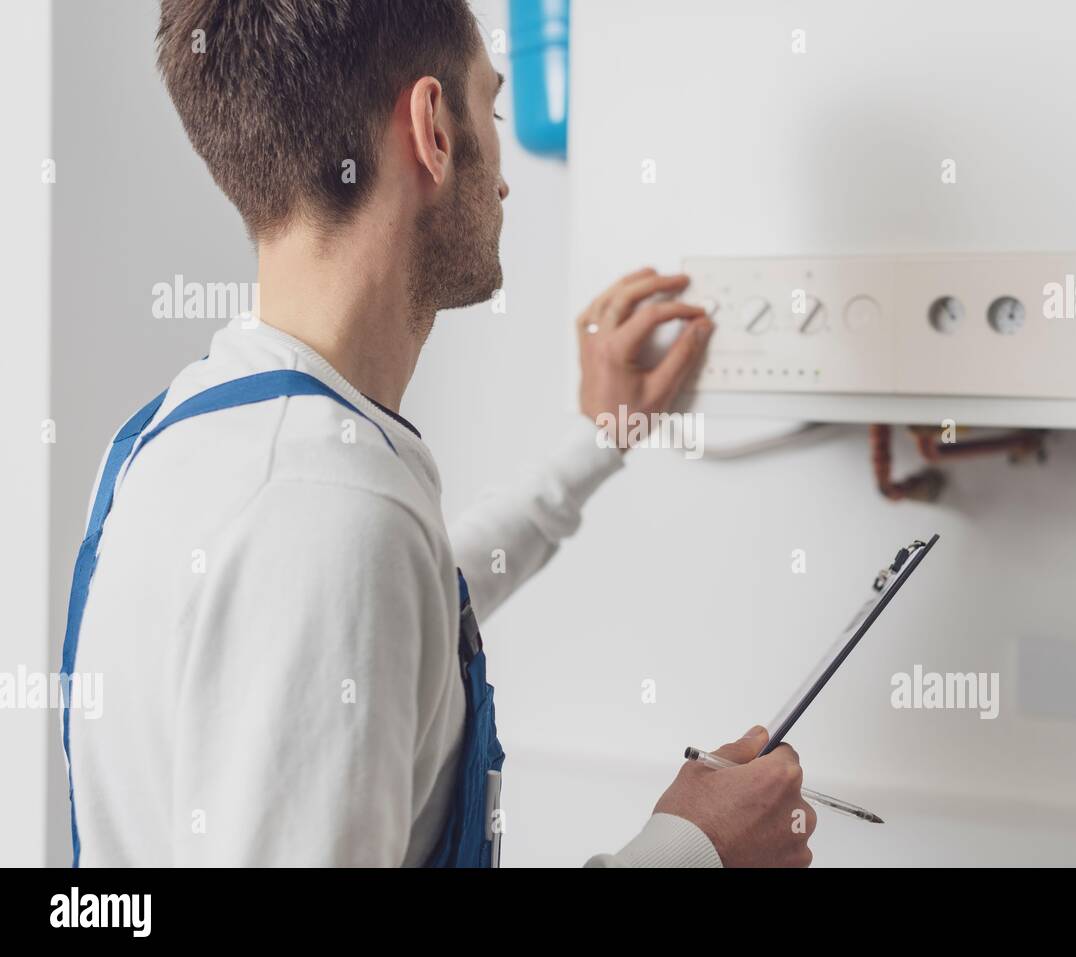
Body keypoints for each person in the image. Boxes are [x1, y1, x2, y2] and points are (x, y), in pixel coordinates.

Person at [60, 0, 815, 868]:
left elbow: (415, 601)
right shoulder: (329, 517)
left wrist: (600, 440)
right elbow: (350, 571)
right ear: (433, 128)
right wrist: (692, 850)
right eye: (490, 109)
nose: (502, 177)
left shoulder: (179, 439)